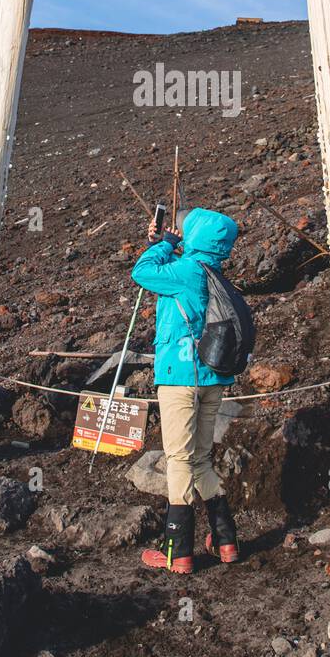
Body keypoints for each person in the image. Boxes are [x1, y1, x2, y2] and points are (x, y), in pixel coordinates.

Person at [130, 207, 240, 574]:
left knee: (179, 460)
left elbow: (142, 273)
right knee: (201, 458)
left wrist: (162, 245)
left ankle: (177, 550)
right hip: (212, 379)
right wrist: (165, 244)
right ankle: (226, 540)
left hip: (180, 379)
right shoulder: (211, 271)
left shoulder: (187, 271)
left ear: (194, 236)